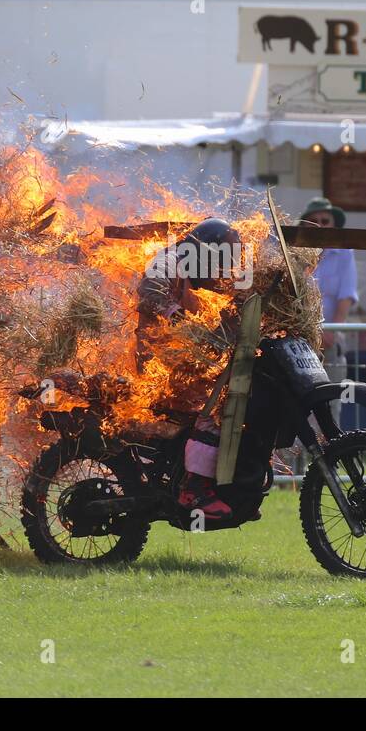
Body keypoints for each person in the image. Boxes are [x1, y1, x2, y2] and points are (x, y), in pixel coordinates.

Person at [136, 217, 242, 522]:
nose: (224, 267)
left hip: (188, 360)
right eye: (222, 258)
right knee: (215, 407)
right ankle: (194, 488)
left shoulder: (204, 270)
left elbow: (230, 295)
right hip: (160, 363)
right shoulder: (168, 261)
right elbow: (150, 293)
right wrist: (181, 320)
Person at [300, 197, 358, 386]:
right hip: (299, 338)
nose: (319, 226)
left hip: (330, 339)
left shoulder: (345, 253)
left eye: (325, 221)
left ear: (333, 225)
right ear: (304, 225)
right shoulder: (295, 253)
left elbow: (346, 296)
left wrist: (331, 332)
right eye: (313, 221)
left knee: (332, 401)